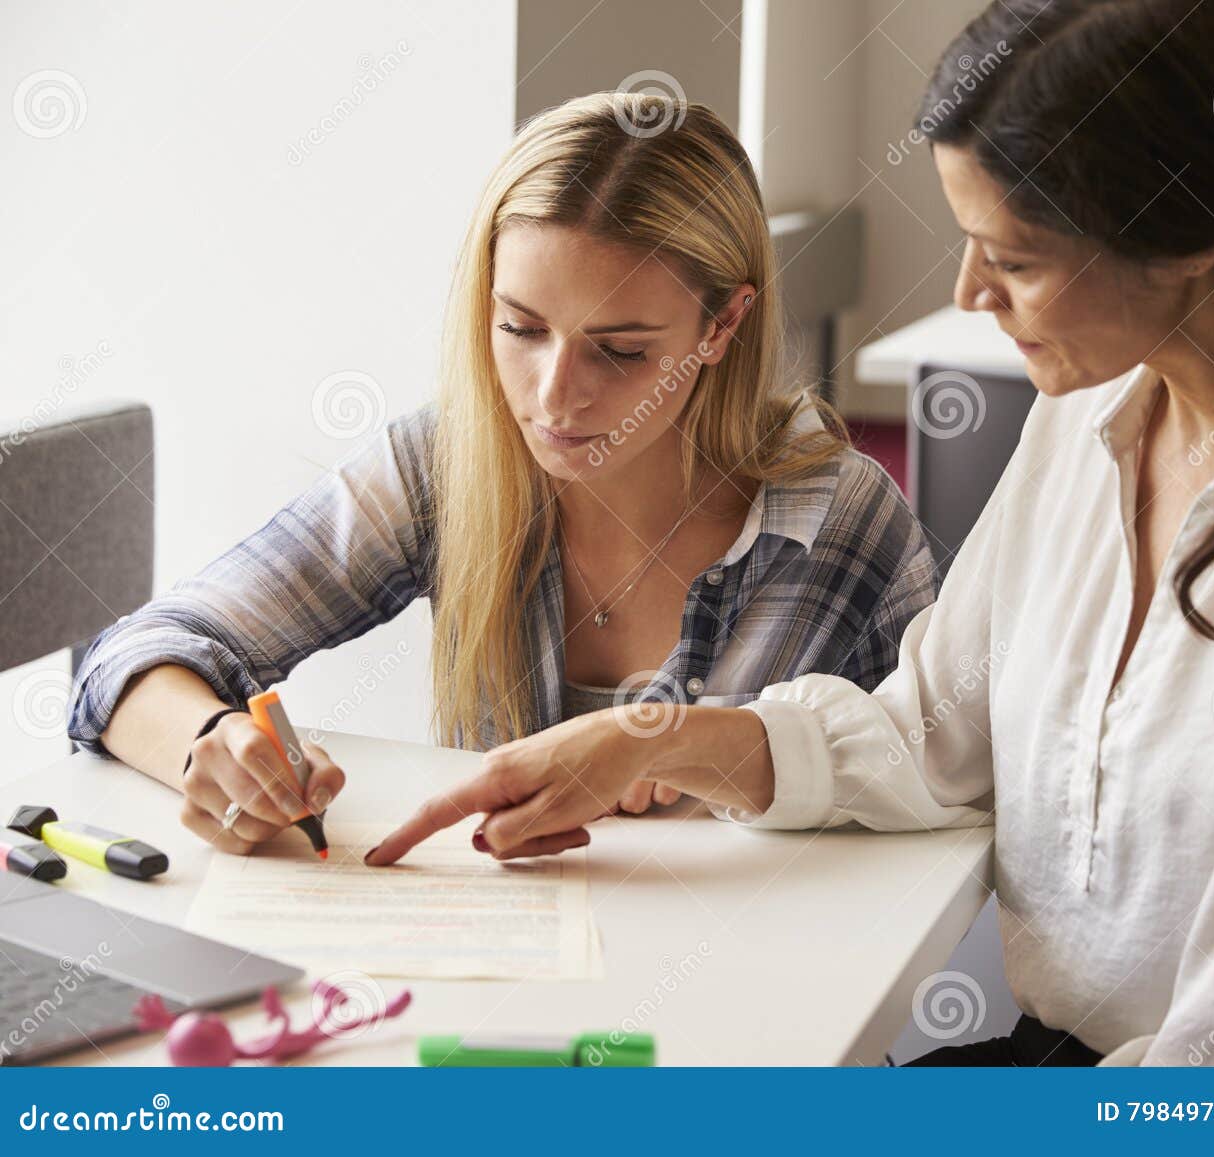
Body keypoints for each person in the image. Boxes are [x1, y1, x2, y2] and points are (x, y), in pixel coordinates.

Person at [365, 0, 1214, 1065]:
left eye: (1014, 254)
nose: (966, 291)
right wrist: (655, 739)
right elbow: (933, 734)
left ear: (1193, 241)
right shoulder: (1087, 422)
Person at [67, 94, 936, 858]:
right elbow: (133, 656)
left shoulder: (839, 521)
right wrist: (210, 745)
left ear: (723, 324)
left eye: (621, 350)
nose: (554, 397)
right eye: (521, 329)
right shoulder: (443, 464)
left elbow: (957, 790)